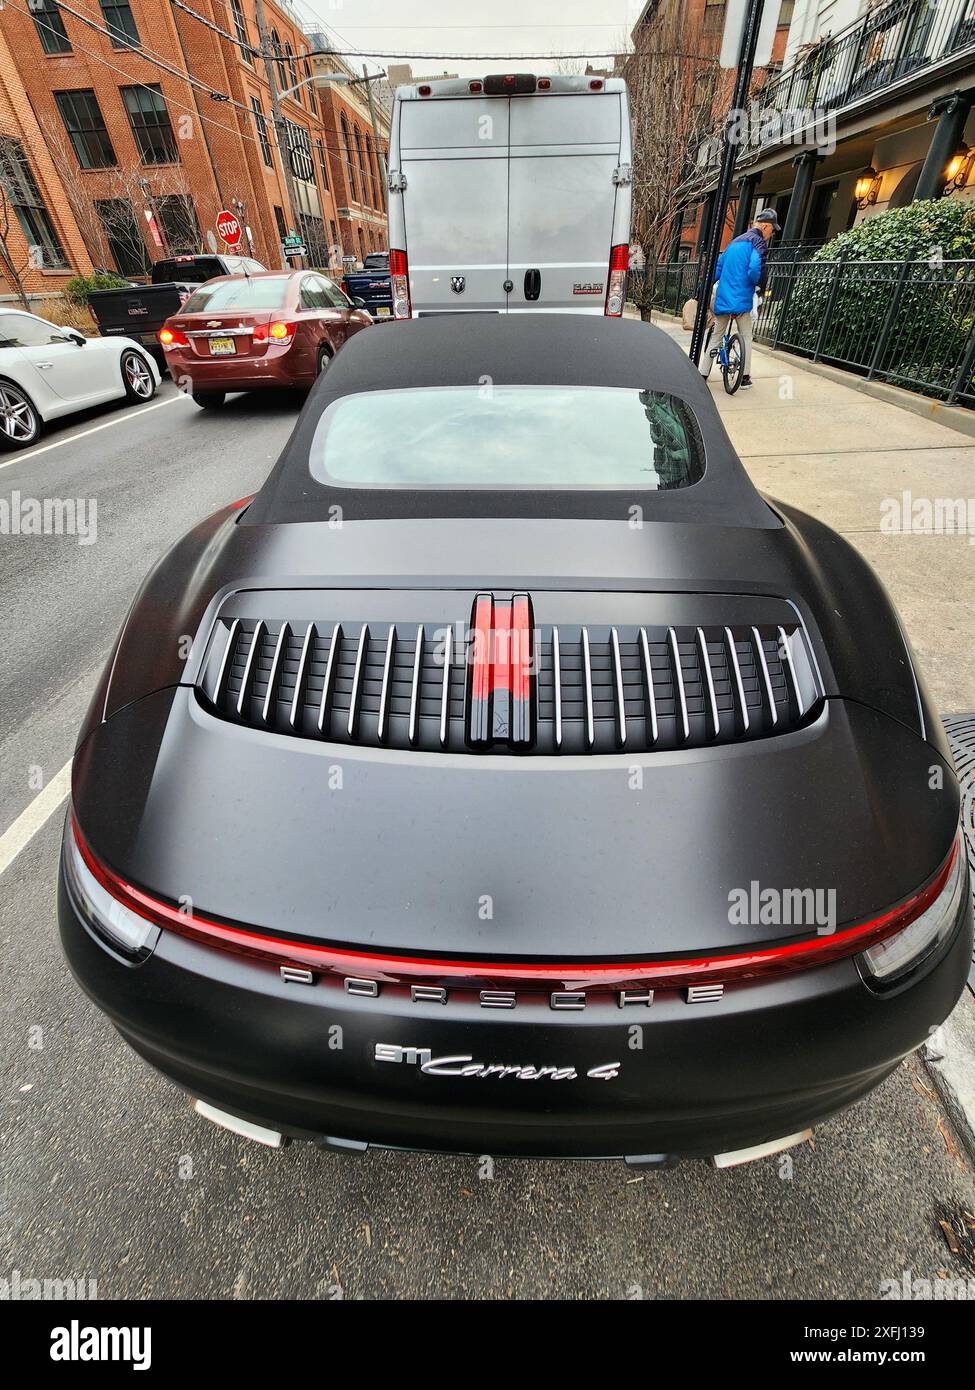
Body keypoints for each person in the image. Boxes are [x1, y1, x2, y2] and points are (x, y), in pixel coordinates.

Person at [700, 208, 780, 390]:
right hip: (742, 298)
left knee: (716, 335)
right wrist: (758, 286)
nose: (771, 234)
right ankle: (744, 378)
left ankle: (703, 374)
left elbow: (717, 270)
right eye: (772, 230)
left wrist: (703, 288)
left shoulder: (733, 243)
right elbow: (754, 269)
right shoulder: (758, 243)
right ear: (765, 227)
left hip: (724, 297)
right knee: (746, 336)